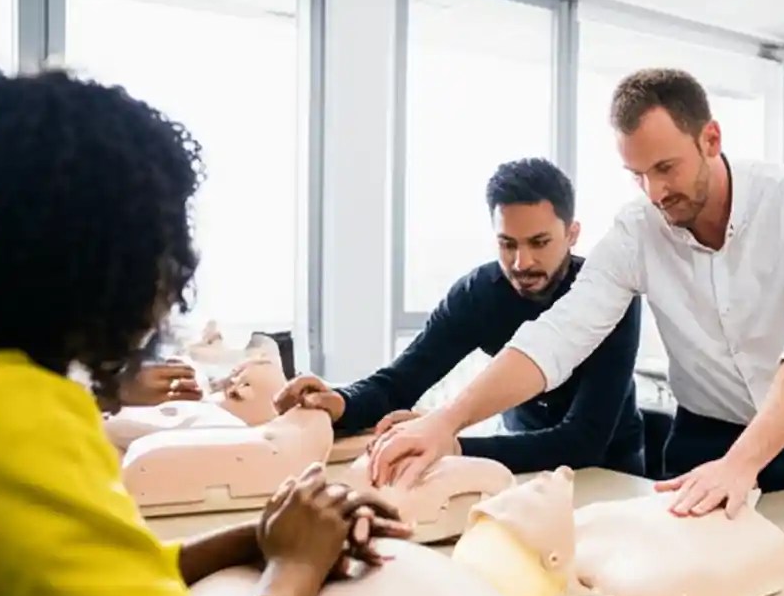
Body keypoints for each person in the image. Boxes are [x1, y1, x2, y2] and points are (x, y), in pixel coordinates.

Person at [0, 69, 407, 596]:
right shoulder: (13, 419)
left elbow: (95, 574)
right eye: (167, 240)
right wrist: (295, 570)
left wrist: (256, 540)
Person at [367, 67, 784, 518]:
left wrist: (742, 462)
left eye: (666, 168)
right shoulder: (637, 231)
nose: (655, 192)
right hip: (703, 442)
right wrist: (445, 422)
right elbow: (557, 337)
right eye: (637, 175)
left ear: (711, 138)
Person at [276, 158, 646, 476]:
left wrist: (447, 442)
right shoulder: (478, 294)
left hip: (608, 470)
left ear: (572, 234)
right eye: (507, 243)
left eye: (539, 242)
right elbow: (399, 383)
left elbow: (583, 443)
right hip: (518, 465)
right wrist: (340, 402)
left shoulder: (608, 296)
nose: (522, 262)